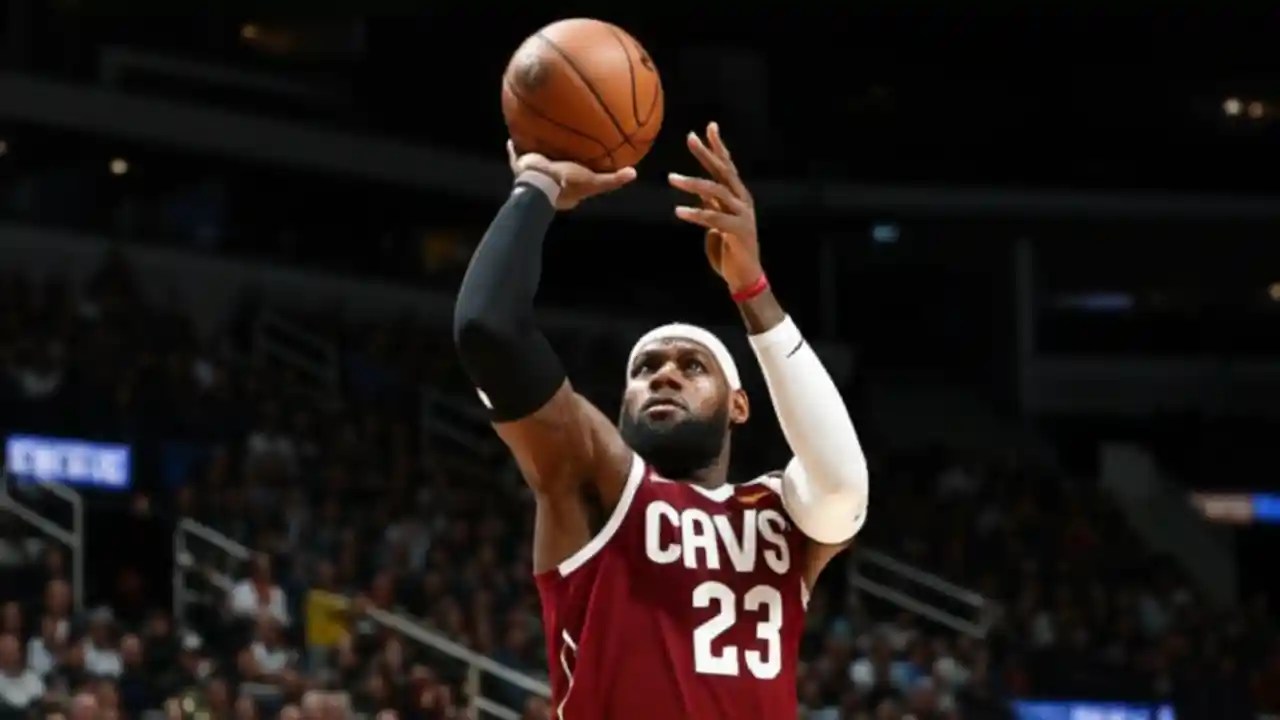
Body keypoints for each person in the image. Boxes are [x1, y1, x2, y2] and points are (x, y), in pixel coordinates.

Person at [453, 122, 869, 719]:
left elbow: (844, 488)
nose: (664, 375)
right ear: (622, 403)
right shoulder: (599, 482)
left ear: (739, 405)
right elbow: (486, 331)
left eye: (692, 366)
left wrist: (753, 290)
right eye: (644, 368)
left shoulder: (779, 515)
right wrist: (536, 186)